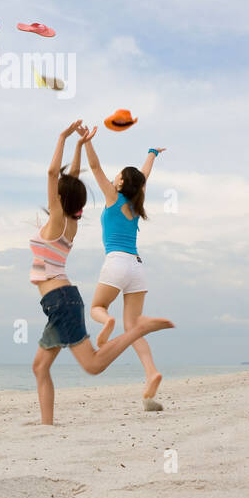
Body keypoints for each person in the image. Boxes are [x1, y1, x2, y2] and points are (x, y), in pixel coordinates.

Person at [30, 122, 174, 425]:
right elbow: (135, 177)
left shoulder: (58, 219)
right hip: (68, 296)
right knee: (40, 368)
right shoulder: (72, 221)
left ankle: (136, 330)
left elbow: (54, 174)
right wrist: (81, 146)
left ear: (59, 199)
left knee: (93, 365)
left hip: (61, 300)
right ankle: (45, 426)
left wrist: (63, 137)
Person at [80, 125, 167, 410]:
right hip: (137, 267)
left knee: (97, 307)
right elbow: (144, 176)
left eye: (117, 176)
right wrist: (152, 153)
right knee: (134, 327)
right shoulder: (136, 201)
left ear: (118, 184)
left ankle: (107, 322)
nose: (113, 177)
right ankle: (151, 371)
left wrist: (88, 142)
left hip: (116, 262)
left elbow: (94, 166)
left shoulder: (113, 197)